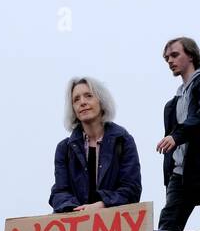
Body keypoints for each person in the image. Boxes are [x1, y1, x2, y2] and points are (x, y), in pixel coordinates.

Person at [156, 37, 200, 231]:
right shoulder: (172, 104)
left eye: (175, 54)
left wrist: (176, 136)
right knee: (166, 230)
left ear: (191, 55)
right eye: (166, 58)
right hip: (181, 173)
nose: (170, 61)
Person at [49, 77, 141, 213]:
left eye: (88, 96)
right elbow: (59, 192)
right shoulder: (64, 149)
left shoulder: (123, 141)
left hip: (113, 225)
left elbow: (131, 189)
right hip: (75, 226)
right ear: (73, 109)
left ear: (101, 101)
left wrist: (103, 204)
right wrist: (78, 210)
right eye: (76, 99)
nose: (82, 102)